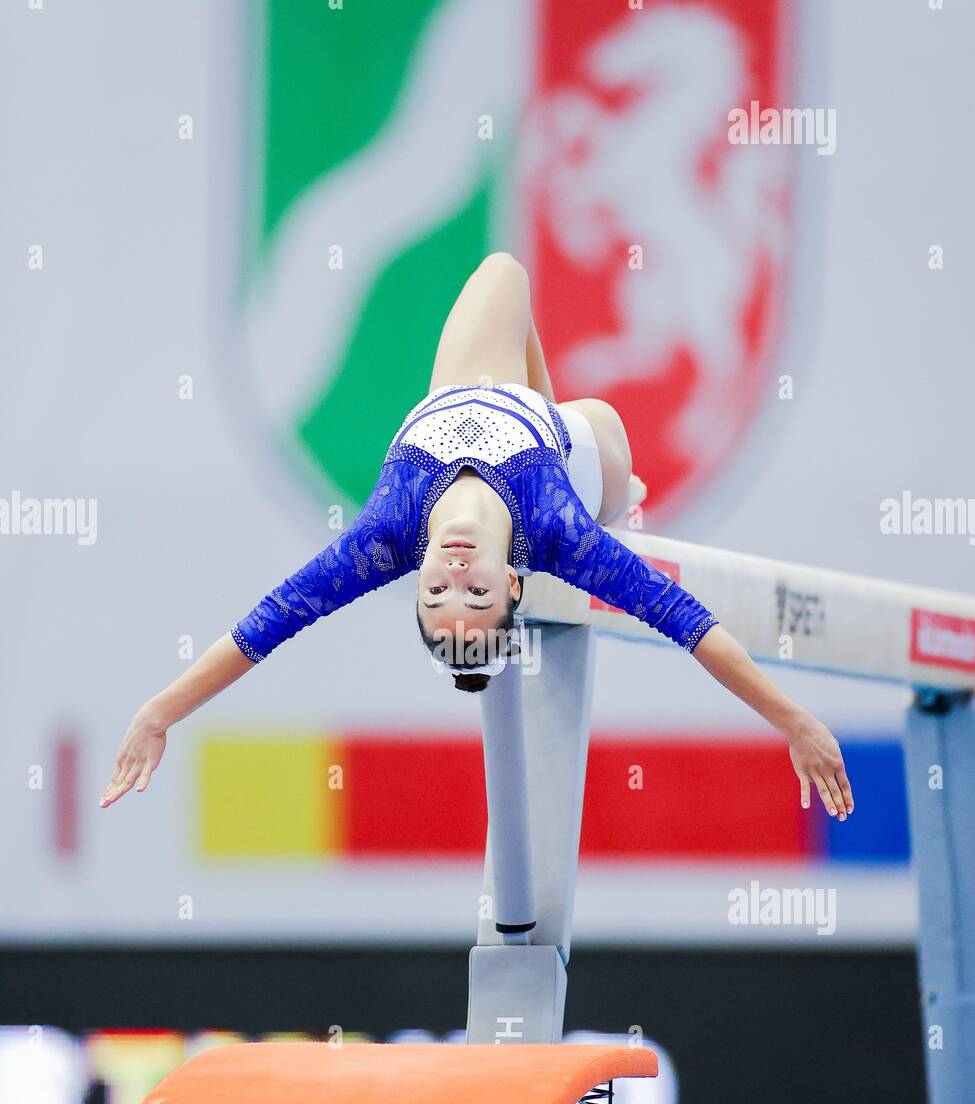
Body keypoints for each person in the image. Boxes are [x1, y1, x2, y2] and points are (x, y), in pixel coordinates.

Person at [101, 253, 854, 822]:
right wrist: (792, 718)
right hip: (587, 464)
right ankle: (614, 490)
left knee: (500, 272)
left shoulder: (385, 533)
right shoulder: (559, 533)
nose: (455, 571)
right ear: (514, 583)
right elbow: (689, 624)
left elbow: (266, 625)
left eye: (436, 591)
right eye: (477, 592)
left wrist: (159, 711)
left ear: (415, 579)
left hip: (495, 407)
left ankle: (554, 417)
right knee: (602, 431)